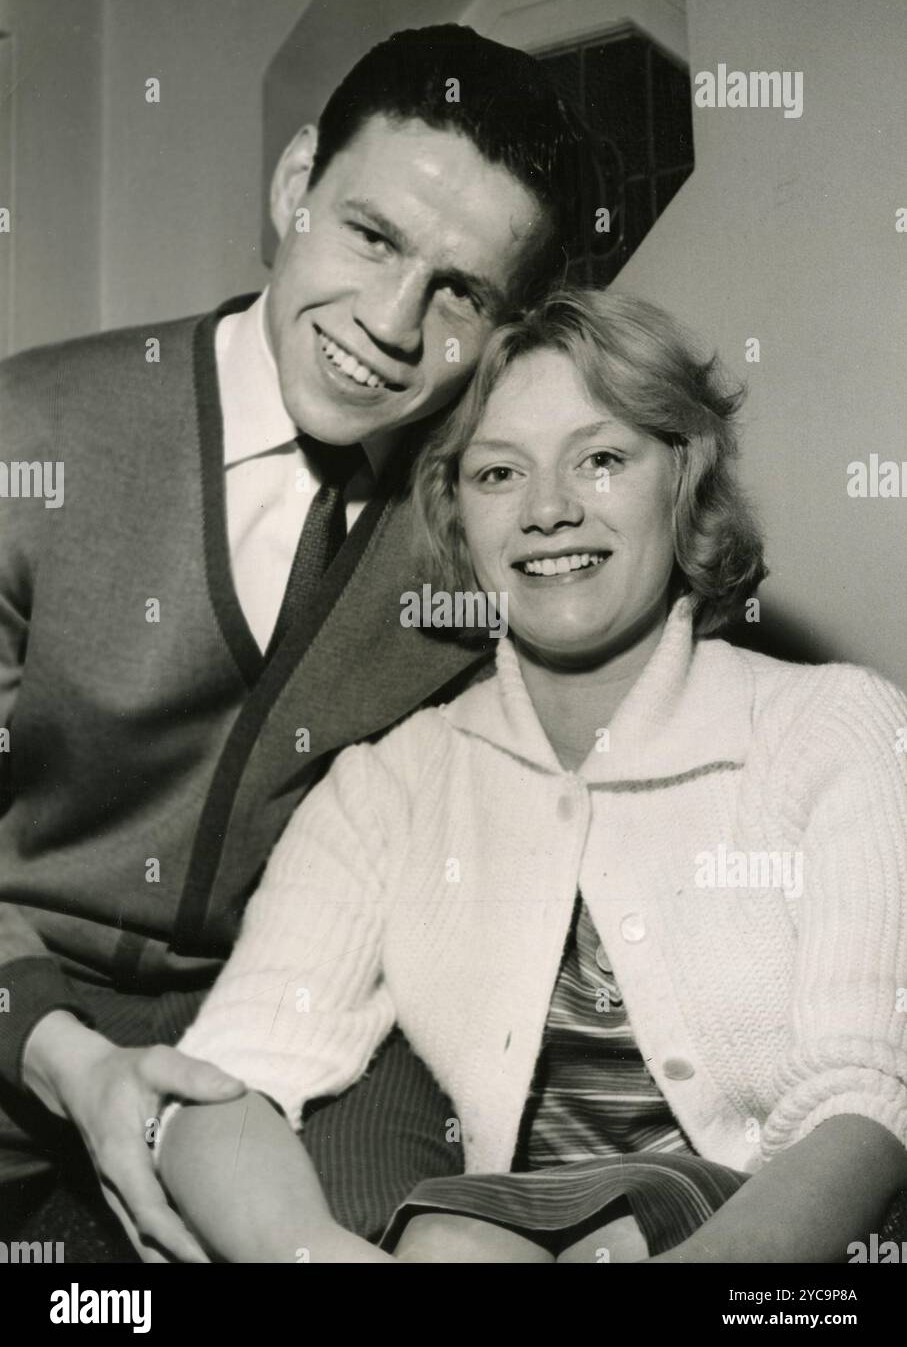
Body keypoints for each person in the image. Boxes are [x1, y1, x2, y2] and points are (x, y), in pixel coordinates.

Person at [153, 288, 907, 1263]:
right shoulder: (385, 788)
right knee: (447, 1243)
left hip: (757, 1236)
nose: (549, 510)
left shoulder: (838, 728)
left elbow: (863, 1095)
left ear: (683, 482)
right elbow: (223, 1086)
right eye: (500, 471)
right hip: (480, 1234)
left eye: (600, 458)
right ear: (457, 517)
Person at [0, 25, 593, 1260]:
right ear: (292, 188)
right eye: (370, 236)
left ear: (505, 328)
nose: (387, 321)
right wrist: (65, 1055)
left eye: (459, 291)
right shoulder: (32, 435)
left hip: (271, 1068)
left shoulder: (495, 523)